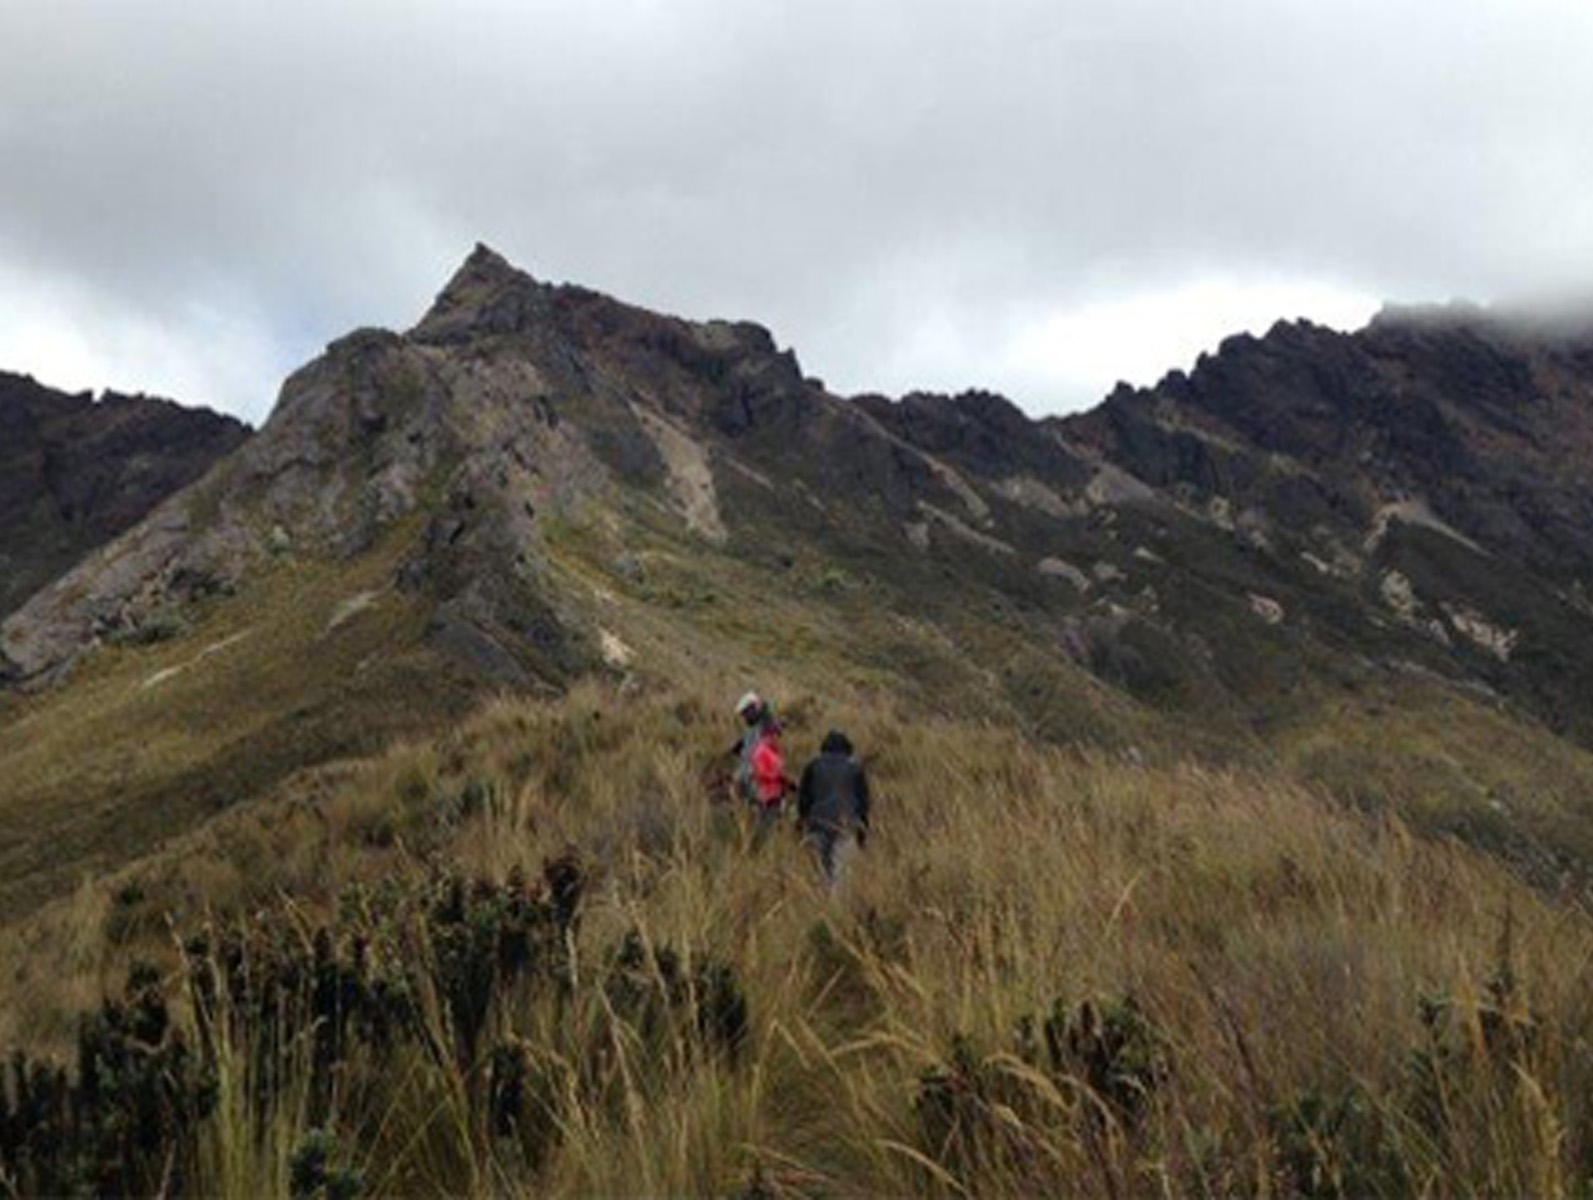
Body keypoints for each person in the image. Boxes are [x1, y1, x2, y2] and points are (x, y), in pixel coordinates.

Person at [797, 730, 871, 891]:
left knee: (820, 875)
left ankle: (819, 910)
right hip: (846, 826)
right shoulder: (855, 768)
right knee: (841, 878)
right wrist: (863, 834)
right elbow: (863, 804)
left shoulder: (812, 766)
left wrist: (801, 824)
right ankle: (836, 912)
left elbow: (804, 799)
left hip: (817, 824)